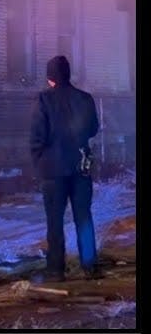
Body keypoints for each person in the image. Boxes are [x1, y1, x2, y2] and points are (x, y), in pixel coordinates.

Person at [30, 54, 101, 282]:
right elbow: (92, 130)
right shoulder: (85, 98)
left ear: (51, 78)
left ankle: (55, 270)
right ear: (68, 75)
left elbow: (37, 136)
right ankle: (90, 267)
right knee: (84, 218)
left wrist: (40, 163)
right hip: (81, 167)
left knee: (55, 221)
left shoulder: (44, 100)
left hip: (53, 171)